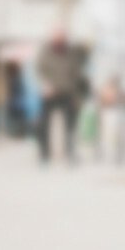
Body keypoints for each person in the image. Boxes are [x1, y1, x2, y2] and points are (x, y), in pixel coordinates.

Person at [36, 29, 83, 162]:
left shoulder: (71, 52)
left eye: (63, 36)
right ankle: (44, 154)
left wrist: (76, 95)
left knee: (71, 125)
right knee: (43, 124)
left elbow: (76, 75)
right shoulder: (46, 51)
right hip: (50, 93)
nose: (61, 39)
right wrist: (45, 84)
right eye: (58, 36)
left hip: (67, 92)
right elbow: (40, 69)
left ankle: (70, 153)